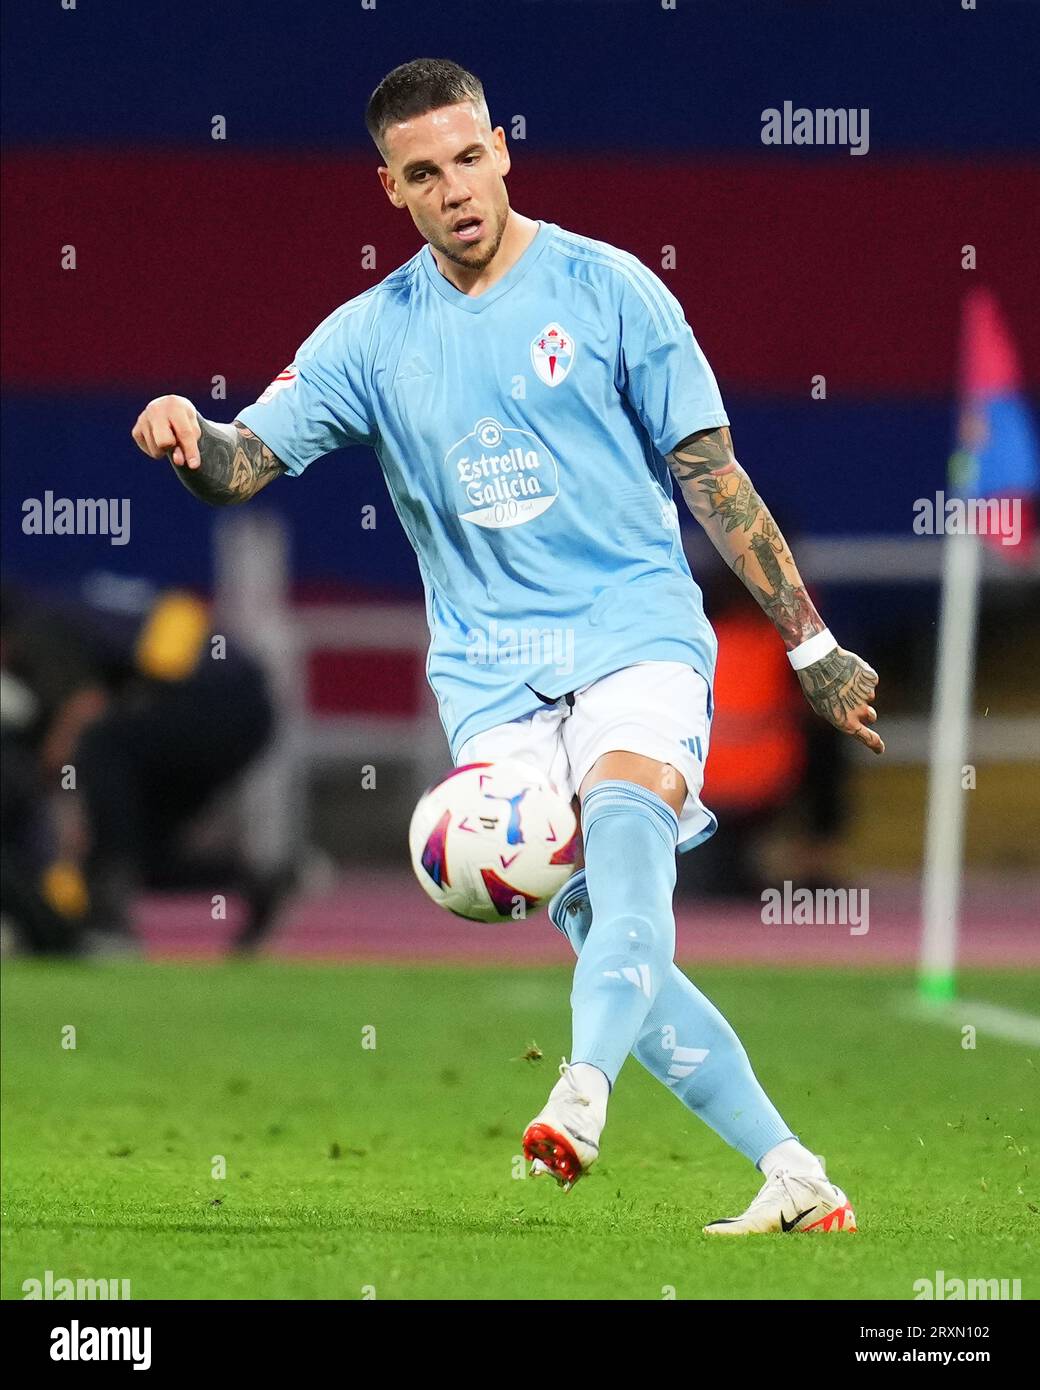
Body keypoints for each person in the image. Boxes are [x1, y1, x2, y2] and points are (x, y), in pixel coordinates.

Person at [131, 58, 883, 1234]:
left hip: (634, 633)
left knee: (628, 839)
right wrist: (190, 437)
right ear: (392, 189)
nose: (455, 189)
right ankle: (792, 1171)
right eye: (422, 174)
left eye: (469, 157)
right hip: (490, 678)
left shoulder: (611, 291)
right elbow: (244, 465)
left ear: (501, 150)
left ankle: (579, 1094)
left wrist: (809, 644)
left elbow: (711, 478)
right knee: (604, 937)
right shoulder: (370, 338)